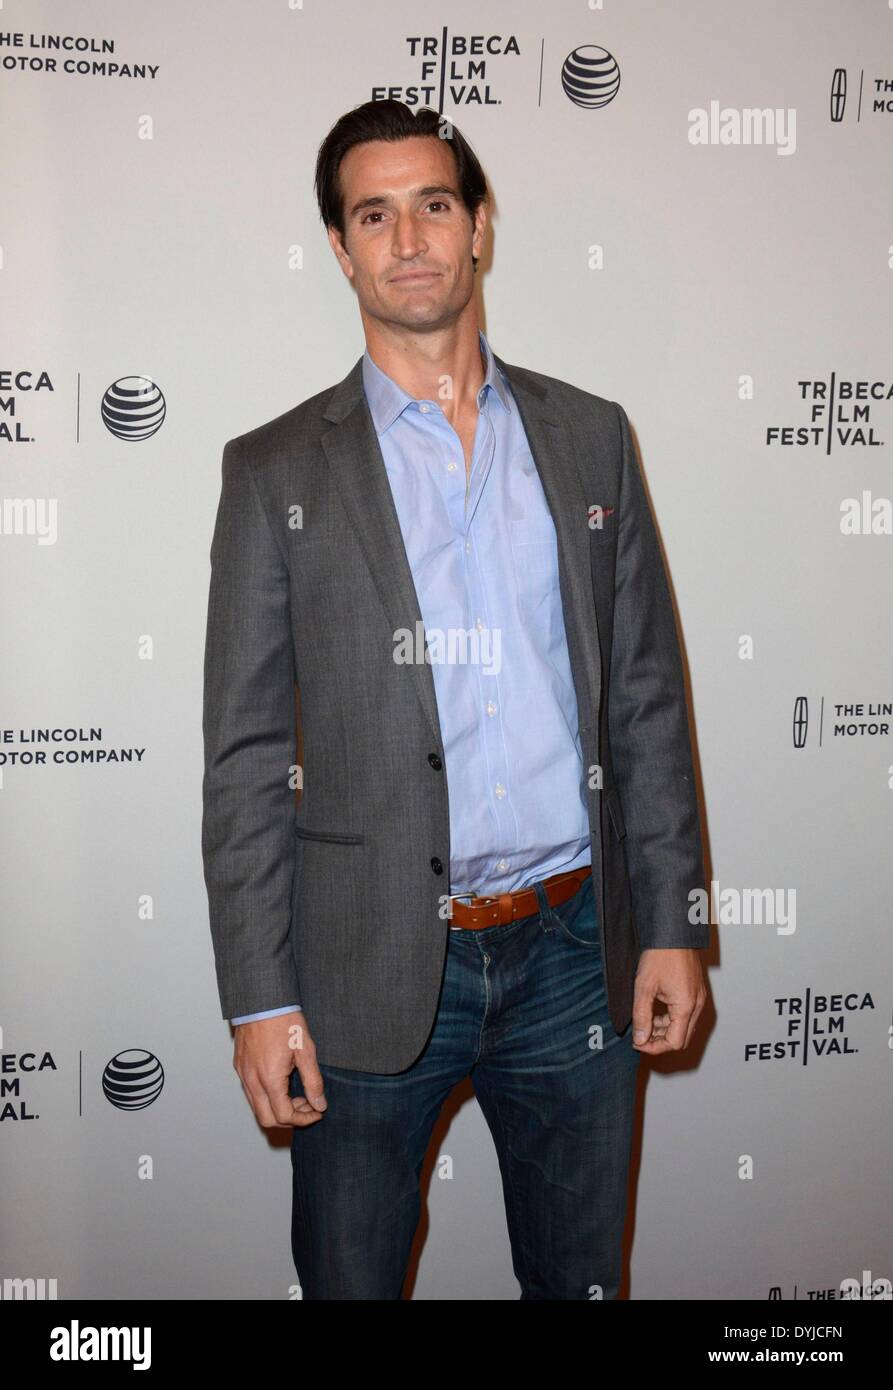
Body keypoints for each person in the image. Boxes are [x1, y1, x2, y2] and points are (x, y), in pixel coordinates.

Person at [201, 98, 708, 1300]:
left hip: (576, 946)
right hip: (364, 966)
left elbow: (644, 701)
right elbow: (244, 754)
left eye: (434, 204)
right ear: (340, 247)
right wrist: (259, 998)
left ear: (479, 226)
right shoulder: (274, 468)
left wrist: (673, 922)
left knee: (581, 1281)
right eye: (373, 215)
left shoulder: (588, 438)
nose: (409, 237)